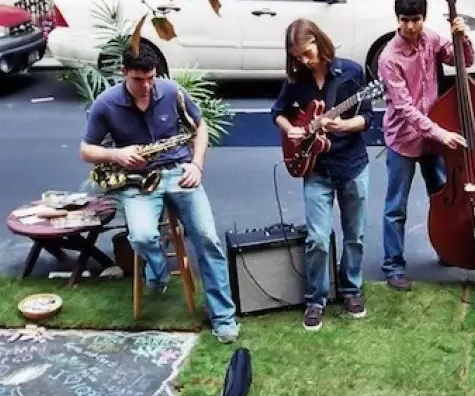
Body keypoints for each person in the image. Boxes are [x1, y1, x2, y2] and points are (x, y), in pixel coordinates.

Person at [80, 43, 240, 343]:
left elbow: (199, 128)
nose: (147, 85)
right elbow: (86, 151)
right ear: (124, 73)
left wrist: (196, 165)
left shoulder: (172, 91)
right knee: (141, 236)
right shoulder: (106, 103)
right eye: (139, 79)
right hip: (137, 181)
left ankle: (223, 317)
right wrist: (119, 155)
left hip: (179, 171)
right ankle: (157, 270)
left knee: (207, 238)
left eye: (151, 77)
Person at [271, 19, 372, 332]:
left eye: (307, 52)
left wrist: (344, 125)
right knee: (317, 239)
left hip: (352, 163)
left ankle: (351, 290)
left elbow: (367, 118)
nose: (304, 60)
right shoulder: (296, 81)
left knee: (354, 235)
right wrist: (294, 131)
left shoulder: (353, 73)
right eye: (297, 56)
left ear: (320, 41)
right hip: (315, 168)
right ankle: (316, 299)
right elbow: (277, 112)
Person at [377, 0, 474, 291]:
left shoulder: (431, 39)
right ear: (398, 19)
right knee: (396, 207)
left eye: (415, 19)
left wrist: (462, 37)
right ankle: (393, 266)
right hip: (404, 140)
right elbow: (405, 109)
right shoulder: (389, 57)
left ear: (423, 18)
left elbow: (464, 63)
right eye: (404, 20)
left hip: (434, 139)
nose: (410, 26)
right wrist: (441, 133)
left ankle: (446, 249)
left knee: (442, 196)